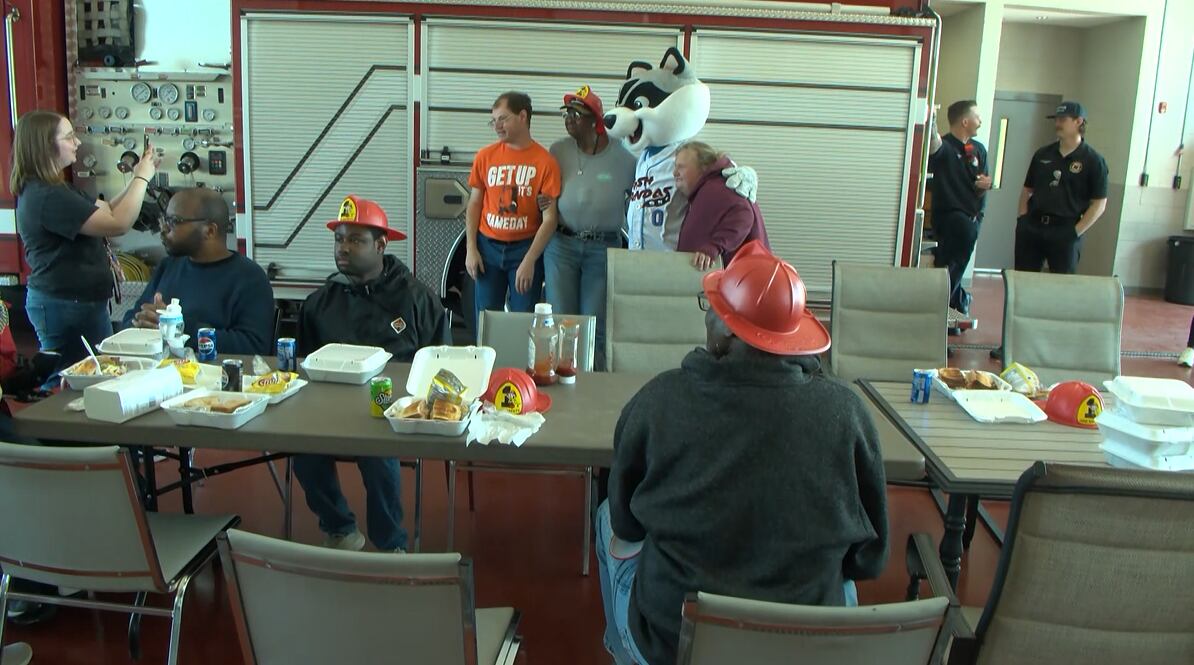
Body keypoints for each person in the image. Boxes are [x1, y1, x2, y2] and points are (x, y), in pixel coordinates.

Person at [596, 240, 888, 665]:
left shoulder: (657, 403)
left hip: (675, 646)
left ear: (728, 328)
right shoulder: (849, 415)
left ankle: (624, 649)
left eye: (711, 306)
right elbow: (869, 559)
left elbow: (627, 523)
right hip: (802, 648)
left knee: (606, 515)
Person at [294, 195, 450, 553]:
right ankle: (339, 528)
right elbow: (302, 368)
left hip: (391, 410)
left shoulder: (417, 300)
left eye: (355, 240)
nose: (343, 248)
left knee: (378, 451)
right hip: (327, 410)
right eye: (339, 239)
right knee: (300, 447)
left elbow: (441, 367)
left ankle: (390, 543)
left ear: (381, 246)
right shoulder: (320, 303)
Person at [12, 110, 160, 365]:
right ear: (45, 146)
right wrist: (142, 178)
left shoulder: (56, 189)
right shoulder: (48, 197)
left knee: (99, 372)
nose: (77, 142)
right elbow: (118, 224)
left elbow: (107, 210)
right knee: (67, 379)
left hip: (80, 303)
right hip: (66, 305)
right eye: (69, 137)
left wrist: (136, 176)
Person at [992, 101, 1108, 360]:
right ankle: (1012, 344)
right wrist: (1022, 219)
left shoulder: (1093, 160)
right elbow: (1027, 189)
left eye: (1063, 118)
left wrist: (1075, 232)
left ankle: (1055, 345)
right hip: (1032, 227)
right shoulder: (1043, 154)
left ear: (1079, 122)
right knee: (1022, 288)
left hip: (1065, 231)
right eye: (1056, 118)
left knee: (1060, 292)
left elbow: (1099, 204)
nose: (1057, 122)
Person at [542, 86, 636, 370]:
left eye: (576, 113)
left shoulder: (627, 155)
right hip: (562, 245)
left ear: (596, 120)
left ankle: (591, 382)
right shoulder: (557, 150)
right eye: (566, 113)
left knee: (593, 321)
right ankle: (558, 375)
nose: (569, 118)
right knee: (560, 318)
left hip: (603, 248)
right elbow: (546, 190)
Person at [122, 188, 274, 355]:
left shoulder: (249, 278)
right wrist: (141, 323)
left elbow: (254, 346)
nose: (164, 229)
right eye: (164, 220)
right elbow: (131, 320)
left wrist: (179, 328)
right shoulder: (168, 267)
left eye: (174, 221)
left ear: (209, 231)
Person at [465, 92, 562, 329]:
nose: (497, 126)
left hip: (524, 249)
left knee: (523, 323)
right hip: (487, 248)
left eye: (503, 119)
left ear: (522, 116)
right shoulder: (485, 156)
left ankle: (518, 368)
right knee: (486, 322)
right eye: (493, 120)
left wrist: (530, 260)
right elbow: (474, 203)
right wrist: (471, 248)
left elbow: (550, 219)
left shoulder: (545, 162)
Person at [929, 100, 991, 318]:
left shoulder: (979, 150)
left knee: (952, 266)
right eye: (977, 116)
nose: (980, 120)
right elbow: (932, 141)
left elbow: (982, 182)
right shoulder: (944, 146)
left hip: (973, 217)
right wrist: (931, 117)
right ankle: (947, 304)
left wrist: (985, 185)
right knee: (949, 264)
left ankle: (956, 301)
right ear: (965, 121)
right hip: (951, 218)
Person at [673, 141, 769, 270]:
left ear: (704, 167)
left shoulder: (720, 188)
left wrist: (714, 246)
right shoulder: (711, 189)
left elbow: (743, 215)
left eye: (681, 167)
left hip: (738, 283)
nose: (675, 173)